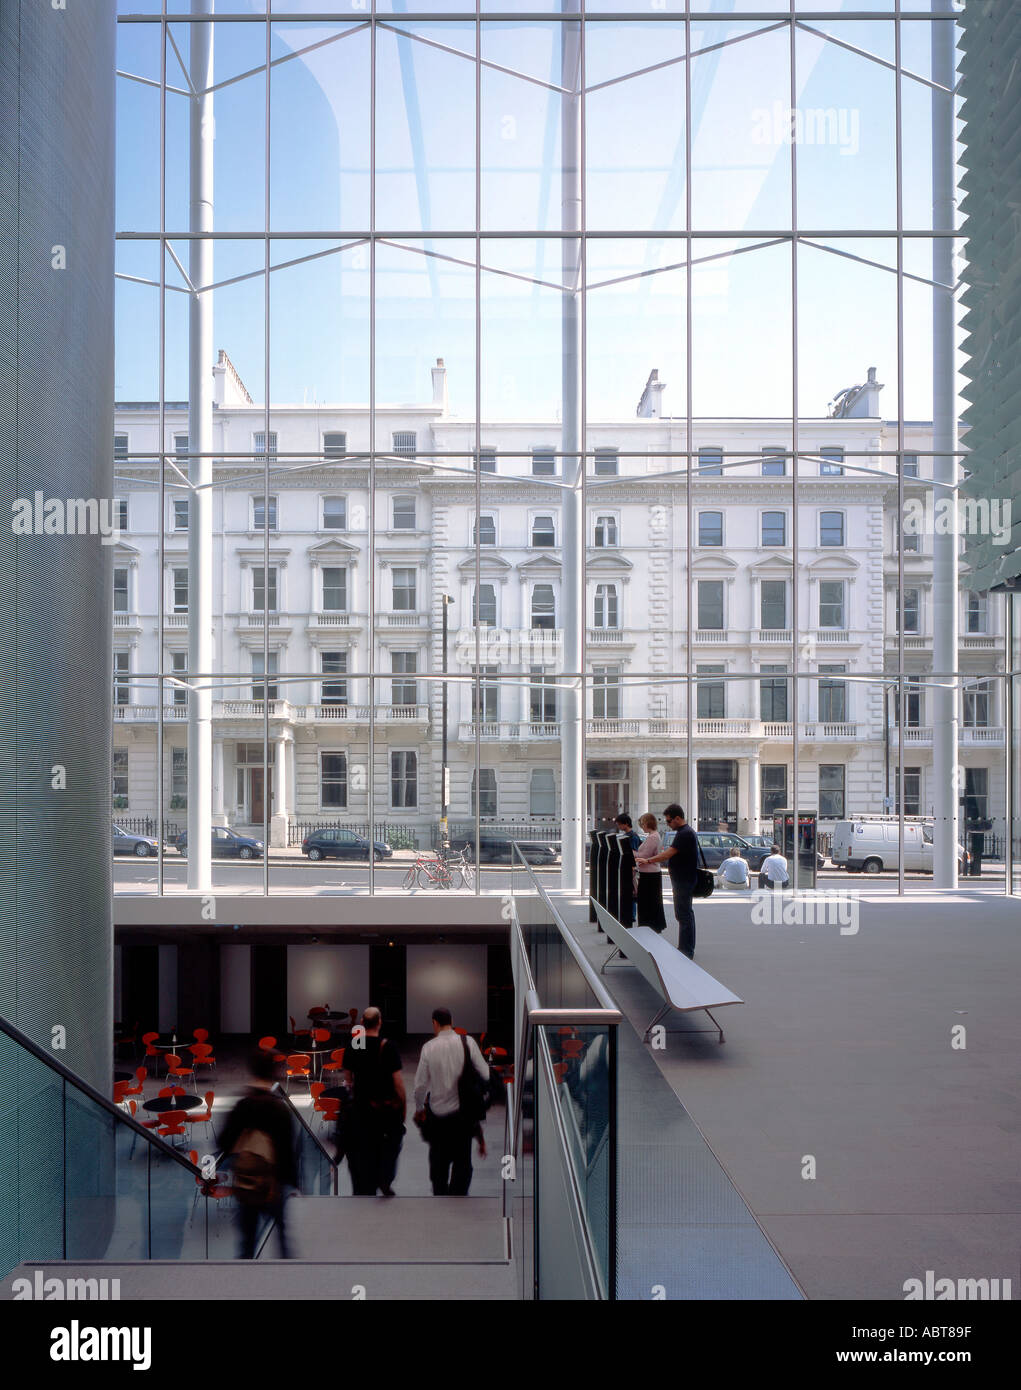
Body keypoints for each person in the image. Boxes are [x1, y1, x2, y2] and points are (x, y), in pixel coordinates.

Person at [216, 1047, 298, 1259]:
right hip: (273, 1184)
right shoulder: (279, 1109)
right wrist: (294, 1181)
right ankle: (288, 1280)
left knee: (247, 1242)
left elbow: (224, 1142)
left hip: (245, 1182)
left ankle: (244, 1284)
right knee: (282, 1237)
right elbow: (288, 1150)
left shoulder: (242, 1105)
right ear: (274, 1072)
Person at [413, 1008, 489, 1196]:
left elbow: (420, 1086)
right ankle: (458, 1198)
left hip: (438, 1117)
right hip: (462, 1116)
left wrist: (419, 1107)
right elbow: (486, 1073)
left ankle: (440, 1198)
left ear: (434, 1023)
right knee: (463, 1161)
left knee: (438, 1163)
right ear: (452, 1021)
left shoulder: (429, 1047)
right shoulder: (468, 1043)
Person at [340, 1006, 406, 1197]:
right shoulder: (388, 1046)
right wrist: (402, 1109)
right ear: (380, 1022)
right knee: (389, 1146)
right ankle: (384, 1179)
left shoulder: (354, 1045)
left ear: (362, 1023)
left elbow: (348, 1080)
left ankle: (363, 1189)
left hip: (361, 1110)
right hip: (384, 1110)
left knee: (363, 1149)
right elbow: (398, 1083)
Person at [640, 804, 698, 958]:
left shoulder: (684, 833)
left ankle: (686, 950)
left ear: (678, 818)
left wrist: (647, 860)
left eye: (669, 821)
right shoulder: (684, 832)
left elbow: (667, 854)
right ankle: (686, 947)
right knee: (685, 914)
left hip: (683, 879)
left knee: (683, 914)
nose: (668, 824)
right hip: (684, 878)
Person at [633, 812, 668, 931]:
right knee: (651, 902)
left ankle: (648, 925)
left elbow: (644, 855)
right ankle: (652, 925)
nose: (642, 826)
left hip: (649, 874)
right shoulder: (653, 836)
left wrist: (630, 852)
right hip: (651, 873)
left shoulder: (653, 837)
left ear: (648, 823)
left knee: (647, 902)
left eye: (643, 823)